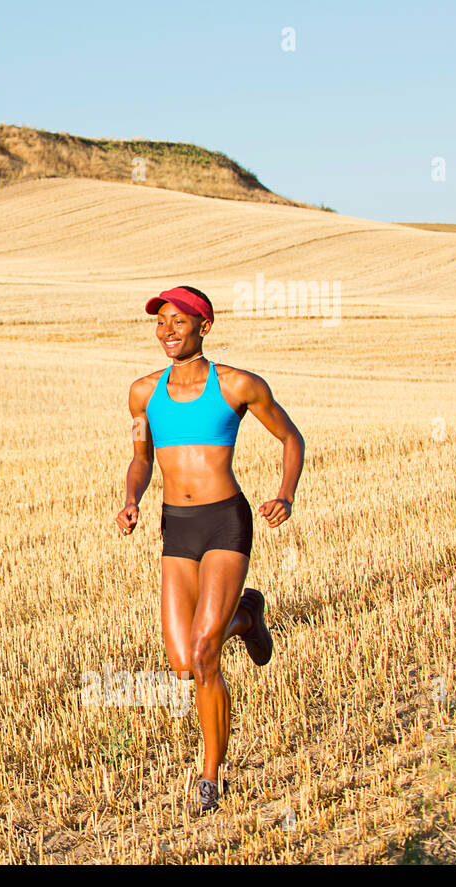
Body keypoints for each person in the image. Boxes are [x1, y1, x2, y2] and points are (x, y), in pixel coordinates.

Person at [115, 285, 305, 813]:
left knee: (204, 653)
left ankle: (211, 776)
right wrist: (132, 498)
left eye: (179, 321)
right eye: (160, 322)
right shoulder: (141, 393)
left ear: (205, 325)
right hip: (176, 528)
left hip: (225, 521)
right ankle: (248, 614)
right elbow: (140, 457)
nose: (167, 331)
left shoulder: (239, 385)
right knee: (183, 666)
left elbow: (291, 438)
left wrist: (285, 493)